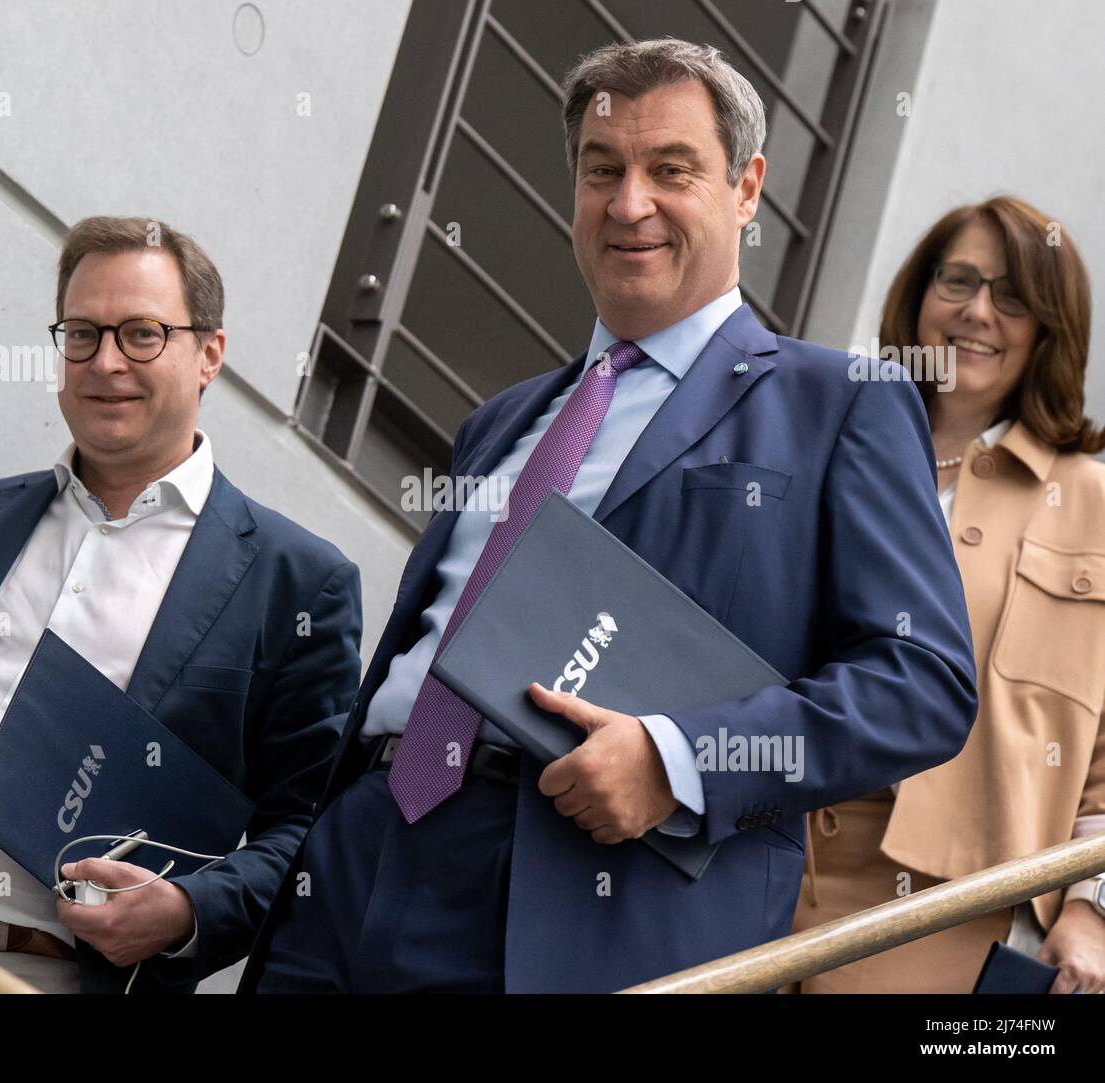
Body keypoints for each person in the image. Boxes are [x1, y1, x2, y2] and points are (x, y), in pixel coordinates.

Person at [238, 37, 978, 994]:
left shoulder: (842, 403)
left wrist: (681, 762)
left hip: (580, 905)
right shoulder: (502, 422)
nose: (630, 203)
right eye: (602, 171)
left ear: (747, 189)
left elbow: (922, 680)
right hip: (355, 859)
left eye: (672, 170)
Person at [0, 216, 361, 993]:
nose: (104, 362)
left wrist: (187, 908)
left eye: (140, 333)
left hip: (26, 978)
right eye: (82, 333)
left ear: (209, 355)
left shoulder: (297, 585)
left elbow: (306, 830)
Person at [789, 196, 1105, 994]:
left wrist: (1091, 909)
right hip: (756, 843)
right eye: (957, 281)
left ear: (1048, 329)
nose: (976, 312)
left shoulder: (1092, 503)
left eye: (1012, 296)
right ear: (918, 295)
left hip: (947, 908)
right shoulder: (817, 439)